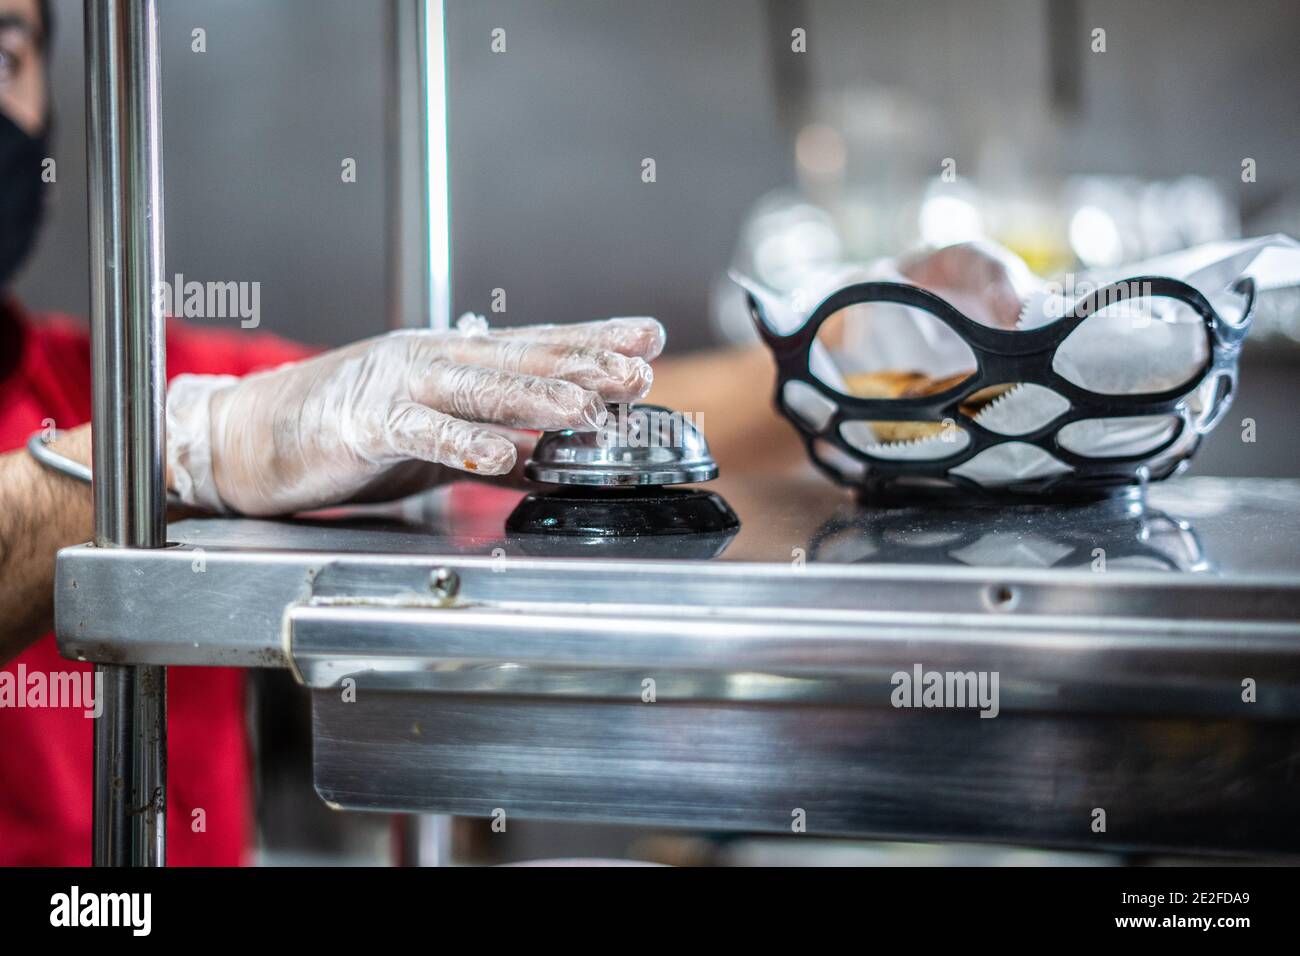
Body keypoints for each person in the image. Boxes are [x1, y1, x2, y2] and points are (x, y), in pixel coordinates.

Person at [0, 0, 1024, 865]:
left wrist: (861, 352)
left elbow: (594, 422)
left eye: (5, 51)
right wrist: (193, 446)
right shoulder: (178, 409)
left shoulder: (124, 375)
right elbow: (203, 439)